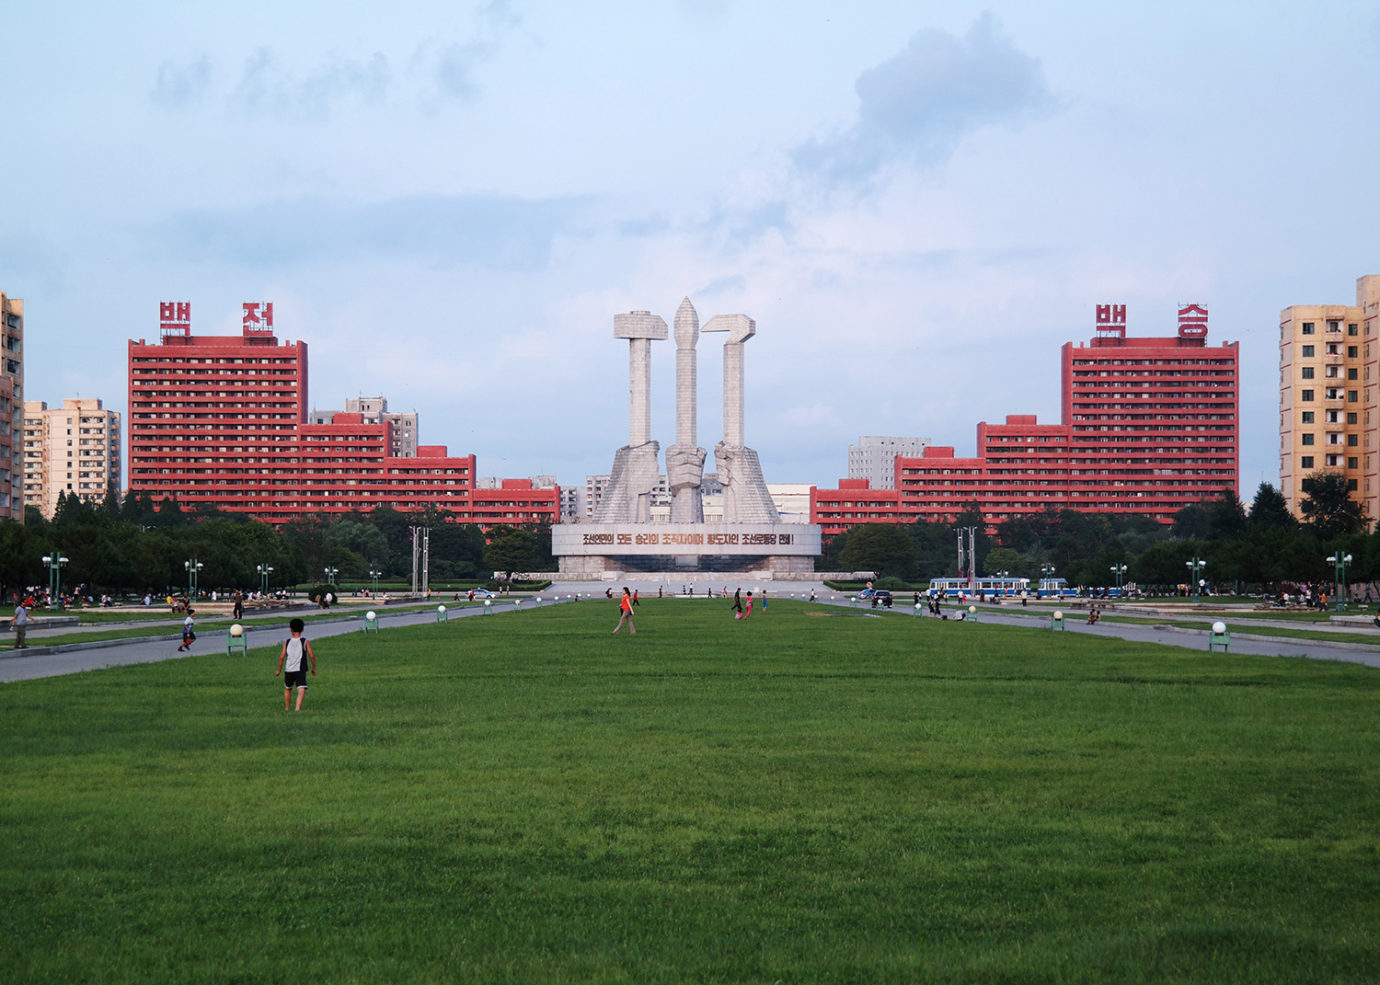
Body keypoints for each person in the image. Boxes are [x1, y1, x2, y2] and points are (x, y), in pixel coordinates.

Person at [275, 617, 317, 711]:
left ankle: (287, 708)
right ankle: (297, 708)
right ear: (302, 629)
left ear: (290, 629)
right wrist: (314, 667)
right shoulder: (305, 641)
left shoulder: (287, 642)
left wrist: (279, 670)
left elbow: (282, 657)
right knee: (301, 689)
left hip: (288, 669)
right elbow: (312, 656)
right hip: (300, 669)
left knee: (288, 688)